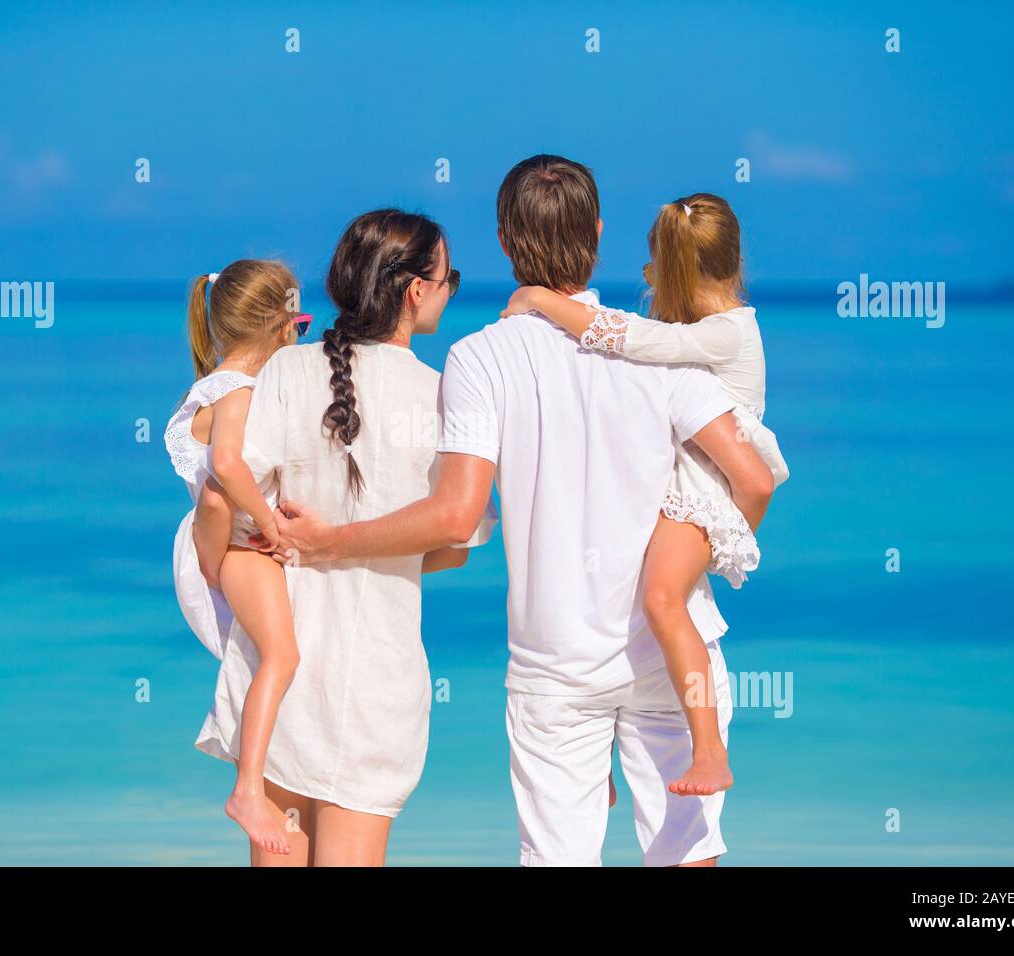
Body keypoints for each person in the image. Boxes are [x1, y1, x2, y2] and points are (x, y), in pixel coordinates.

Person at [271, 156, 776, 867]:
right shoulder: (663, 349)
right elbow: (752, 476)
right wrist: (708, 551)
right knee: (687, 857)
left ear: (506, 243)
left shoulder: (481, 359)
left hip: (556, 664)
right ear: (597, 235)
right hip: (668, 652)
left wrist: (331, 543)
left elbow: (454, 517)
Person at [191, 210, 494, 866]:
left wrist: (218, 570)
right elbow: (452, 543)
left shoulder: (287, 372)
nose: (448, 291)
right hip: (377, 683)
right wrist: (368, 546)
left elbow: (223, 492)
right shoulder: (442, 396)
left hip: (286, 670)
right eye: (449, 279)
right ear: (416, 290)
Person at [500, 191, 789, 796]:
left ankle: (709, 752)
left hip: (700, 496)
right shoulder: (706, 330)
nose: (645, 277)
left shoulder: (727, 334)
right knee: (624, 607)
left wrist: (537, 300)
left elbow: (626, 338)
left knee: (661, 600)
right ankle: (600, 758)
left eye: (652, 264)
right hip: (680, 490)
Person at [164, 259, 307, 854]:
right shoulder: (239, 391)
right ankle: (249, 789)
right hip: (239, 544)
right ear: (279, 327)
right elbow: (226, 468)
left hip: (214, 539)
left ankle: (259, 785)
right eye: (300, 324)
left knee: (263, 659)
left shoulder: (206, 384)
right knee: (283, 653)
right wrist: (272, 521)